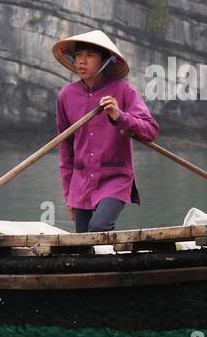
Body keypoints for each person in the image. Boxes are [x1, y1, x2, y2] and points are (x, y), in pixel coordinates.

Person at [53, 30, 159, 233]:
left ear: (104, 61)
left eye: (89, 56)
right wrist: (69, 195)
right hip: (81, 183)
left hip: (115, 178)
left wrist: (119, 116)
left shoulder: (123, 91)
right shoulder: (66, 96)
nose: (82, 61)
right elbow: (66, 149)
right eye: (79, 55)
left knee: (99, 227)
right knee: (83, 243)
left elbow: (150, 130)